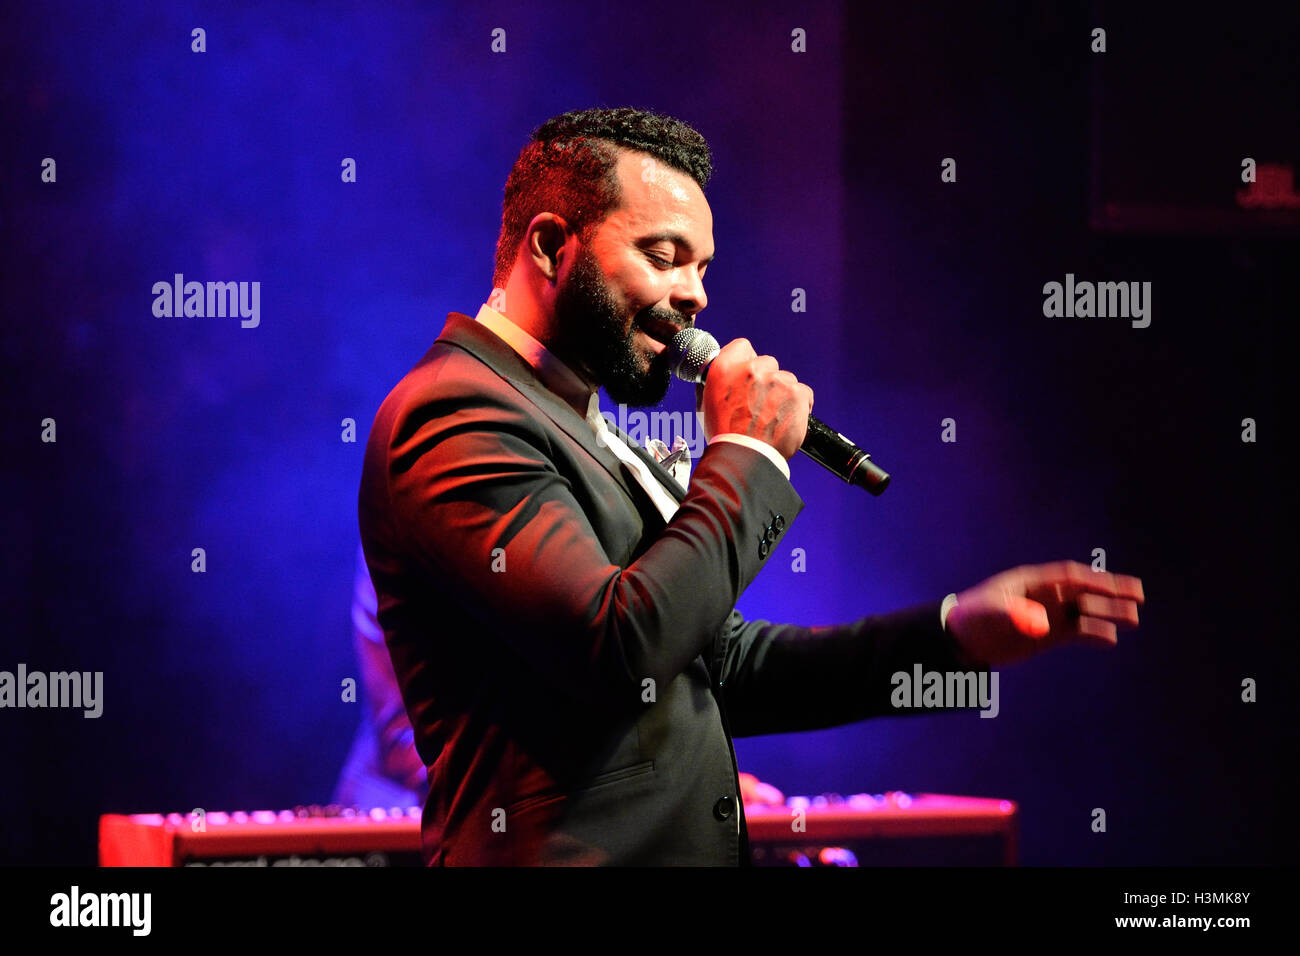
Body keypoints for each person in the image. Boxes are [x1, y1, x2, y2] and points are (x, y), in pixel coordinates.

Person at [356, 107, 1144, 866]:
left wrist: (952, 636)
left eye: (703, 268)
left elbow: (717, 665)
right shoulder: (455, 412)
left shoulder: (576, 420)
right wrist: (748, 455)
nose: (697, 295)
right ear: (552, 245)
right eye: (665, 257)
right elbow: (620, 650)